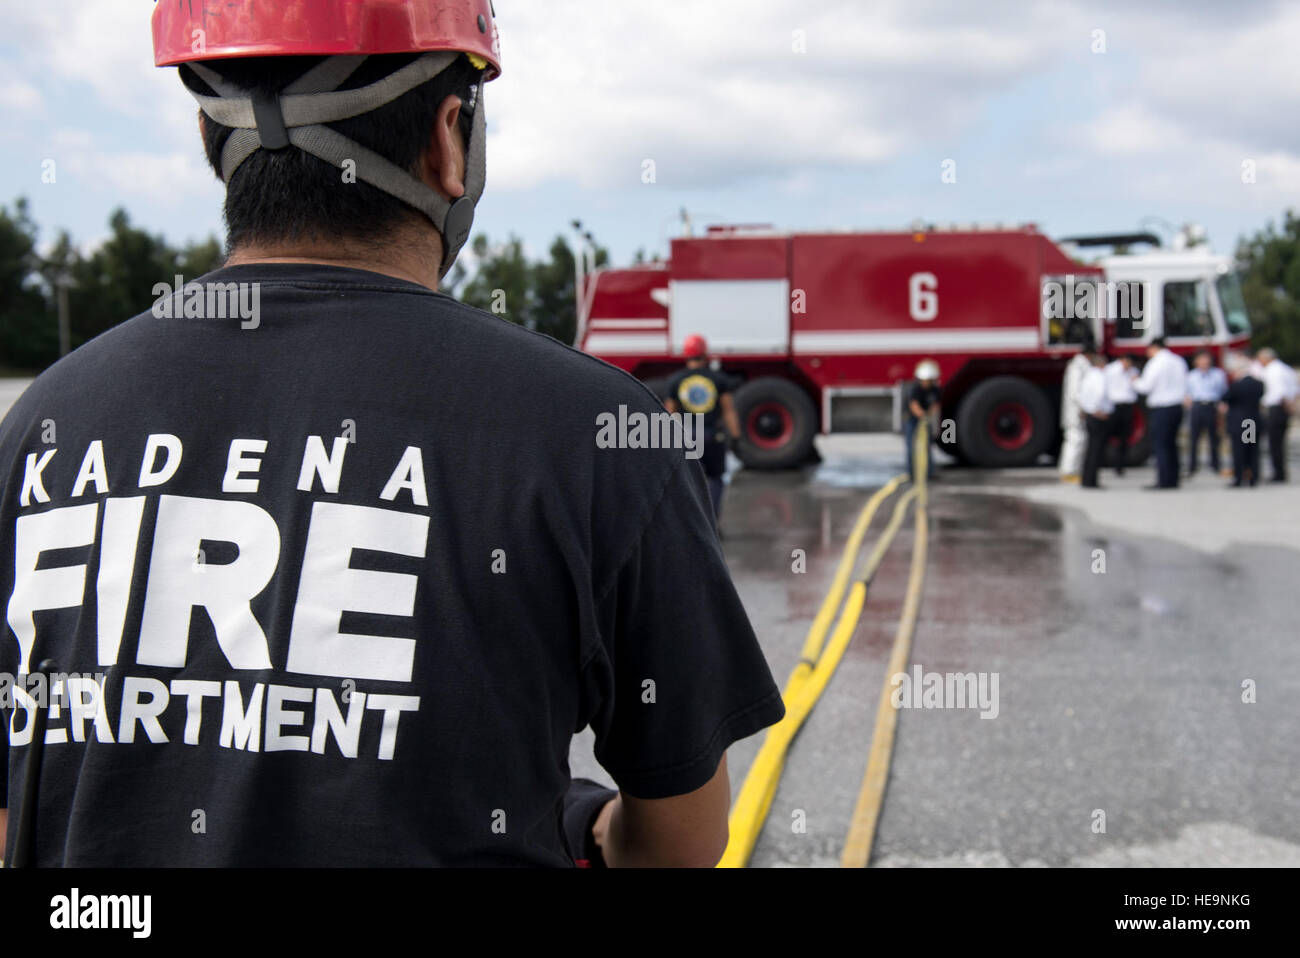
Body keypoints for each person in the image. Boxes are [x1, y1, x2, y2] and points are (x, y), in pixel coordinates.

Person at [0, 1, 785, 868]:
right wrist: (592, 832)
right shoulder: (597, 435)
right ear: (451, 139)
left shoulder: (47, 422)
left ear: (208, 137)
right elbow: (679, 841)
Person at [663, 334, 742, 521]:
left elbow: (670, 414)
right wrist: (736, 437)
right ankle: (712, 523)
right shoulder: (718, 380)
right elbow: (729, 411)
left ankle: (689, 524)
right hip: (712, 436)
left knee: (688, 483)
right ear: (705, 354)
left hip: (687, 437)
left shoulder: (675, 380)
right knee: (715, 479)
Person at [1133, 337, 1189, 489]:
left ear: (1154, 348)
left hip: (1162, 408)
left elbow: (1145, 387)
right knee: (1172, 444)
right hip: (1177, 407)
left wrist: (1134, 380)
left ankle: (1163, 480)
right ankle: (1173, 479)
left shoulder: (1156, 363)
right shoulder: (1178, 361)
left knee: (1161, 445)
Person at [1219, 353, 1266, 487]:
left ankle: (1239, 477)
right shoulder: (1259, 384)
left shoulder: (1236, 386)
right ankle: (1253, 476)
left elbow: (1225, 398)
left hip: (1240, 422)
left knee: (1239, 451)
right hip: (1252, 422)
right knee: (1252, 449)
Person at [1256, 347, 1298, 482]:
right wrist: (1292, 406)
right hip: (1284, 408)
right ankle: (1280, 471)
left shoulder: (1272, 370)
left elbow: (1279, 392)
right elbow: (1295, 390)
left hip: (1276, 408)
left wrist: (1286, 406)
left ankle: (1278, 473)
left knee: (1275, 443)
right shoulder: (1286, 368)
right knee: (1280, 442)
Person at [1184, 349, 1228, 477]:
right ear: (1196, 361)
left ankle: (1215, 464)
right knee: (1194, 437)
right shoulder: (1191, 375)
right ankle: (1192, 465)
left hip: (1211, 406)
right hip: (1197, 406)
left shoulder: (1218, 374)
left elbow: (1223, 390)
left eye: (1206, 359)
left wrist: (1222, 405)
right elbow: (1186, 392)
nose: (1204, 361)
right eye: (1201, 359)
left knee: (1214, 437)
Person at [1058, 339, 1095, 483]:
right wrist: (1083, 407)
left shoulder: (1080, 365)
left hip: (1077, 410)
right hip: (1076, 411)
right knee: (1075, 439)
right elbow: (1075, 392)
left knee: (1079, 439)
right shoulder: (1077, 367)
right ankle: (1069, 471)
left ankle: (1072, 470)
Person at [1078, 353, 1113, 488]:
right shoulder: (1099, 376)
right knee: (1096, 450)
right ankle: (1092, 481)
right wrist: (1097, 410)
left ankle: (1086, 479)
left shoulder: (1088, 376)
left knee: (1090, 448)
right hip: (1097, 415)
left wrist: (1087, 409)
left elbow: (1081, 395)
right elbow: (1099, 394)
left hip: (1089, 414)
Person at [905, 359, 942, 481]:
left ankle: (929, 473)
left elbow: (935, 404)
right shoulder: (915, 389)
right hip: (913, 421)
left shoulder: (935, 390)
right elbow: (914, 405)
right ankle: (912, 474)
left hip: (925, 421)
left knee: (927, 447)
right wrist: (923, 415)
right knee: (912, 447)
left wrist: (929, 415)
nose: (926, 382)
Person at [1102, 353, 1139, 475]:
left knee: (1124, 437)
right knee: (1106, 435)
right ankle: (1101, 461)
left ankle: (1120, 465)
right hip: (1114, 406)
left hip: (1127, 406)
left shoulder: (1133, 371)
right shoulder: (1111, 370)